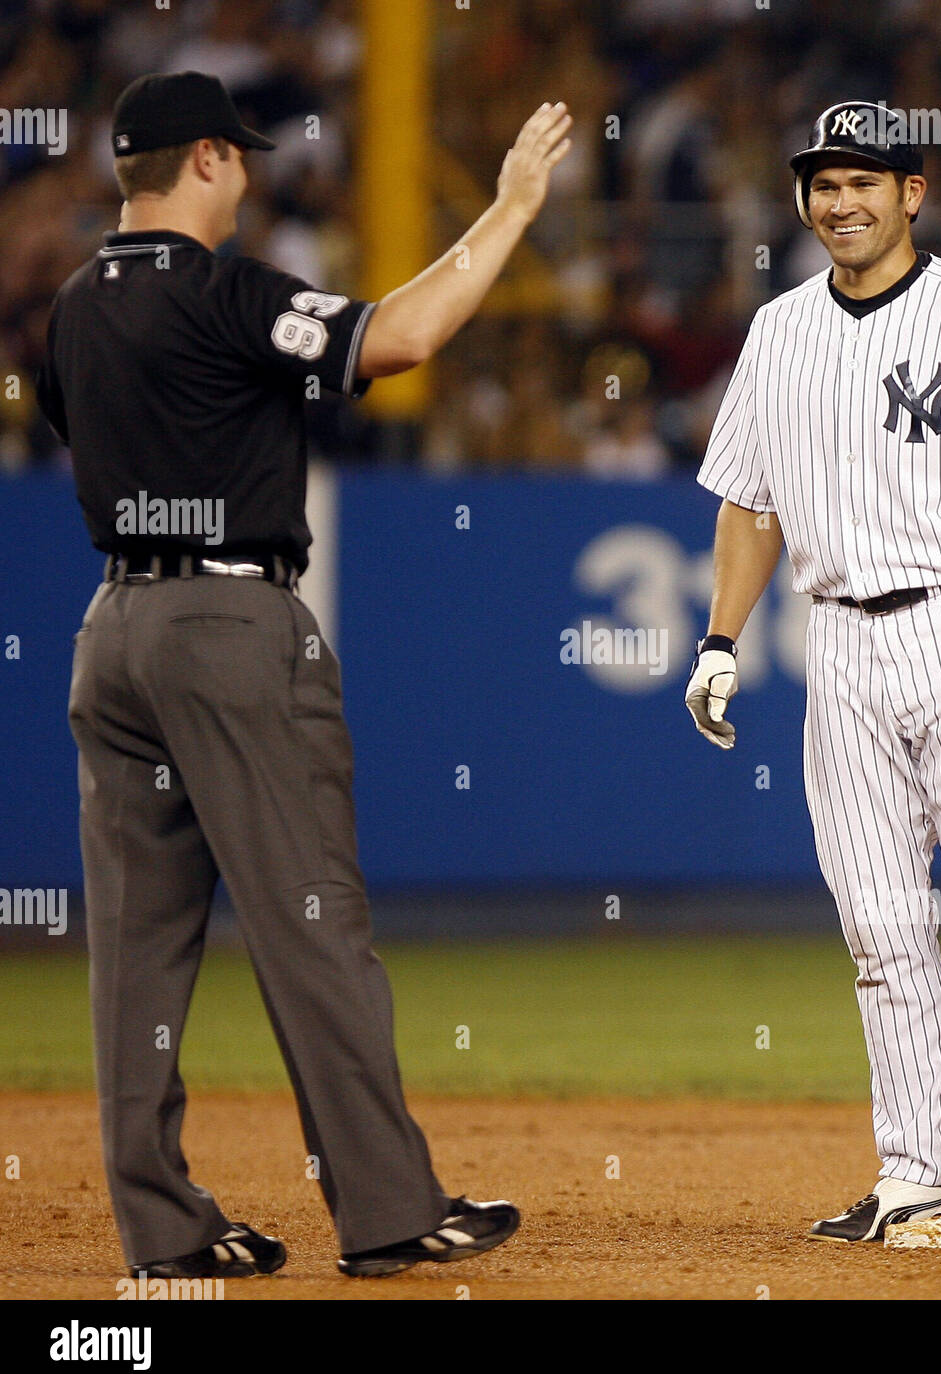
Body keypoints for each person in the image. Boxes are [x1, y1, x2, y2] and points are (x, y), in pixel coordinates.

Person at [37, 70, 571, 1279]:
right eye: (241, 155)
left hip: (112, 626)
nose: (251, 175)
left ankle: (164, 1230)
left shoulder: (70, 306)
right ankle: (388, 1211)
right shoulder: (227, 292)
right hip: (229, 628)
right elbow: (408, 334)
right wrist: (511, 209)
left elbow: (104, 434)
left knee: (134, 952)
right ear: (211, 160)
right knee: (312, 924)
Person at [686, 101, 941, 1242]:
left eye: (865, 179)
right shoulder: (776, 330)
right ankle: (914, 1166)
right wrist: (719, 639)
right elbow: (749, 503)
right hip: (840, 643)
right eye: (822, 181)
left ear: (913, 193)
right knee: (877, 925)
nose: (839, 200)